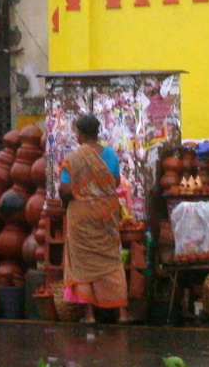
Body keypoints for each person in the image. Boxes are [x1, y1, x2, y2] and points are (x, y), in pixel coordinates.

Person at [58, 113, 133, 325]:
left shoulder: (73, 158)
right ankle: (122, 313)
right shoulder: (109, 154)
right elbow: (116, 181)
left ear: (80, 134)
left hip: (81, 216)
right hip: (106, 215)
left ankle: (89, 315)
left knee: (83, 264)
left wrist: (69, 203)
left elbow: (64, 189)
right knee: (112, 260)